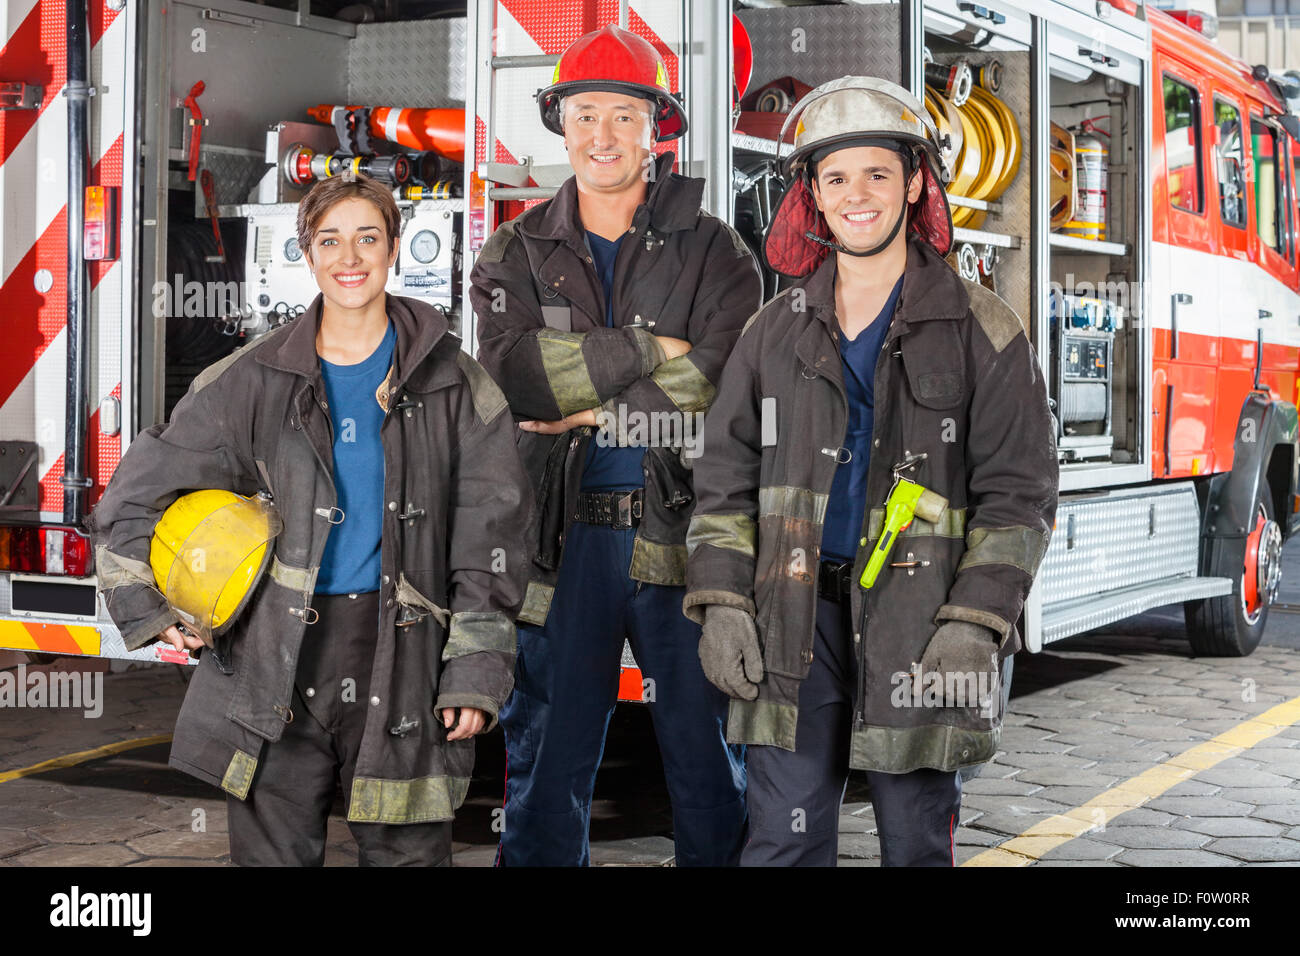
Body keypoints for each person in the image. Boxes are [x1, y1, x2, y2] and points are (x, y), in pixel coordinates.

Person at [90, 173, 532, 866]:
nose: (349, 258)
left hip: (405, 653)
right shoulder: (251, 378)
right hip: (275, 658)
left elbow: (494, 537)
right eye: (330, 240)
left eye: (367, 238)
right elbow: (135, 494)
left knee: (408, 852)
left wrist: (475, 668)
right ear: (306, 252)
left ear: (392, 251)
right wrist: (146, 605)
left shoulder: (456, 382)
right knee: (273, 857)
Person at [683, 76, 1058, 866]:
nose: (858, 196)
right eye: (836, 178)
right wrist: (720, 599)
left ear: (915, 181)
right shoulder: (770, 333)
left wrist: (975, 619)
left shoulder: (983, 329)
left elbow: (1019, 495)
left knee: (916, 843)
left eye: (878, 174)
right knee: (780, 841)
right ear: (812, 197)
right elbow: (722, 482)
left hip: (923, 624)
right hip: (791, 621)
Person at [470, 23, 762, 866]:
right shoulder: (515, 249)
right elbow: (514, 380)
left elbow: (724, 381)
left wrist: (593, 408)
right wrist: (649, 351)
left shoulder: (716, 249)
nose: (603, 135)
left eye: (624, 115)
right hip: (561, 545)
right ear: (560, 122)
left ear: (655, 128)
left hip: (681, 540)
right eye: (586, 113)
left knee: (708, 764)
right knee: (546, 762)